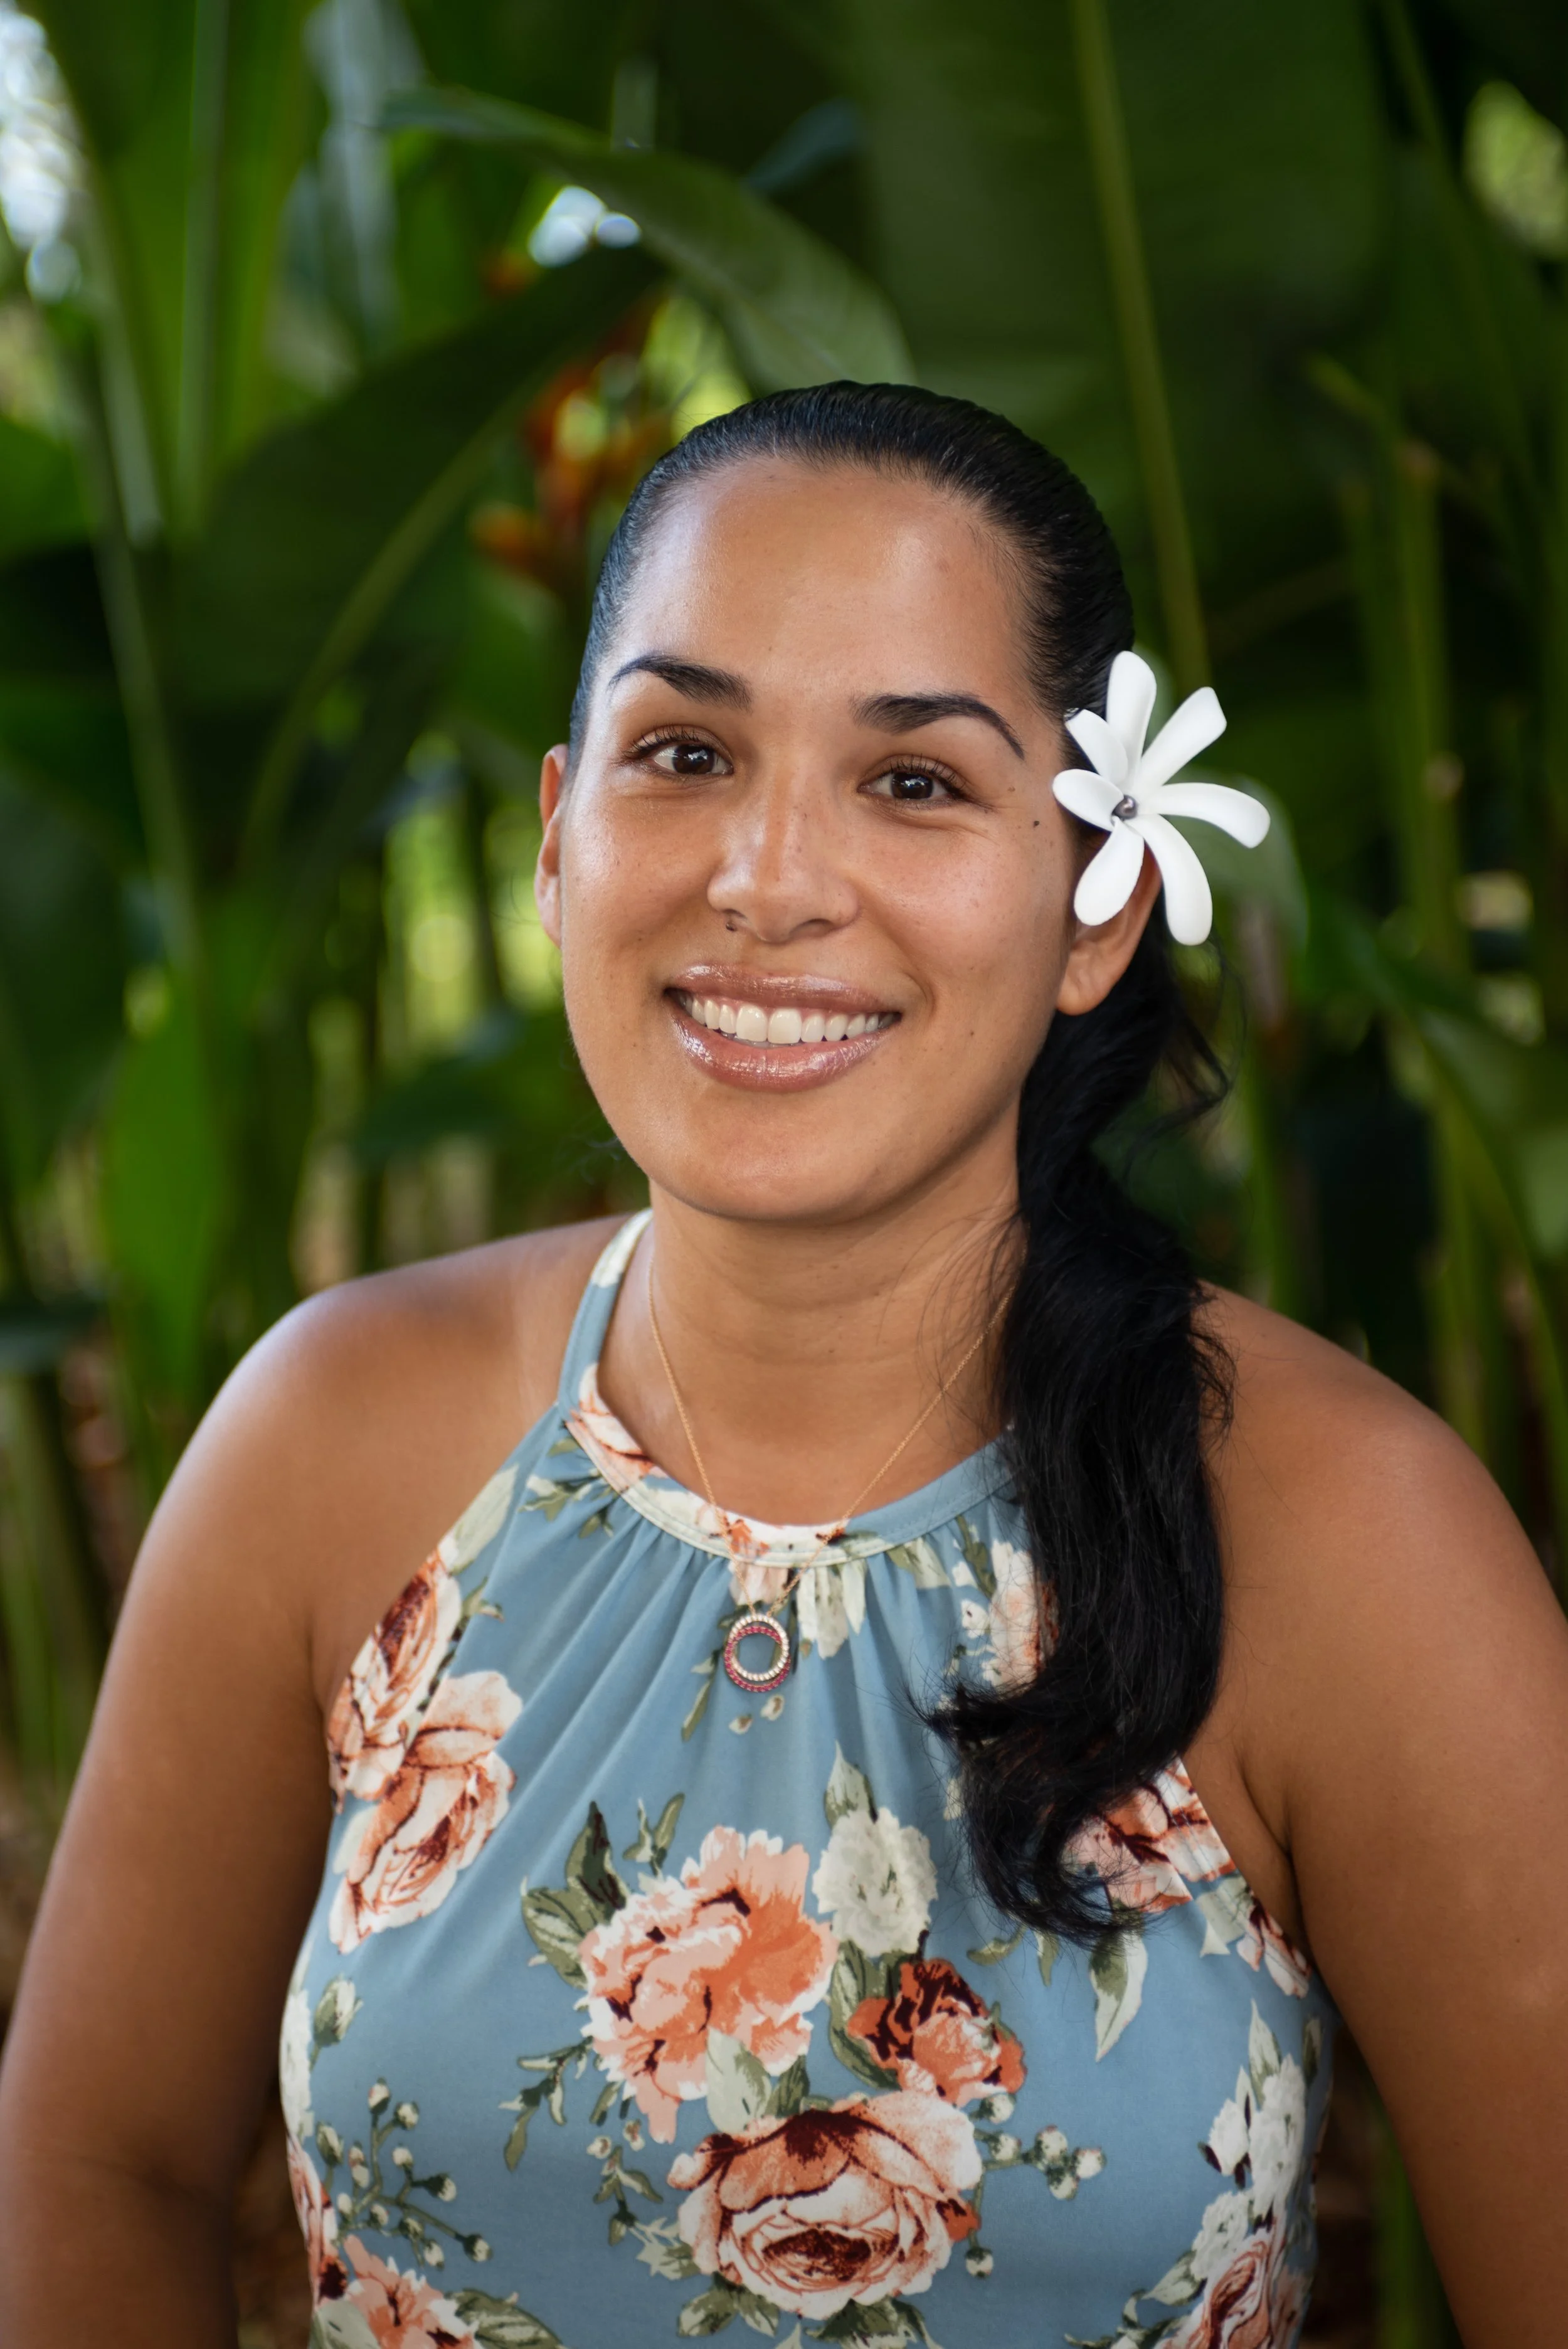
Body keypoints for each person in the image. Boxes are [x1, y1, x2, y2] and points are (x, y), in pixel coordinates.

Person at [3, 384, 1564, 2349]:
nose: (764, 875)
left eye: (911, 782)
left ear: (1095, 904)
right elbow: (97, 2169)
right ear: (563, 836)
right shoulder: (331, 1440)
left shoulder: (1347, 1534)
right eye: (686, 750)